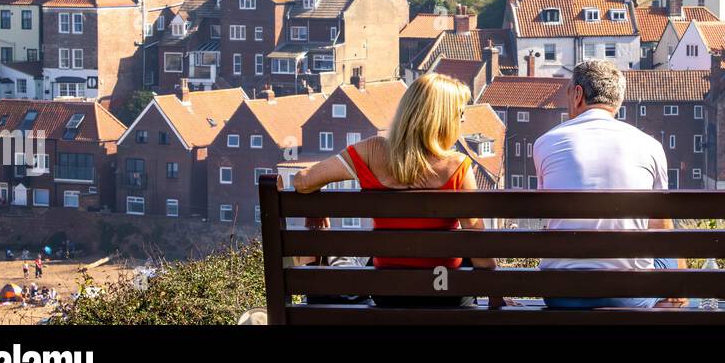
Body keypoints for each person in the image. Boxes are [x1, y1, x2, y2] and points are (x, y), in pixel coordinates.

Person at [287, 73, 494, 308]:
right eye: (460, 115)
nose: (463, 121)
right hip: (446, 294)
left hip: (386, 293)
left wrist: (316, 205)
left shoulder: (370, 152)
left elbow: (302, 181)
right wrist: (497, 297)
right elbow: (479, 248)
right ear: (442, 120)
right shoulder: (458, 167)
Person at [534, 60, 684, 310]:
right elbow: (661, 227)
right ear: (617, 101)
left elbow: (547, 211)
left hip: (560, 293)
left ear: (578, 94)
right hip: (628, 295)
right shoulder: (650, 146)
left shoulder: (546, 142)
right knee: (667, 253)